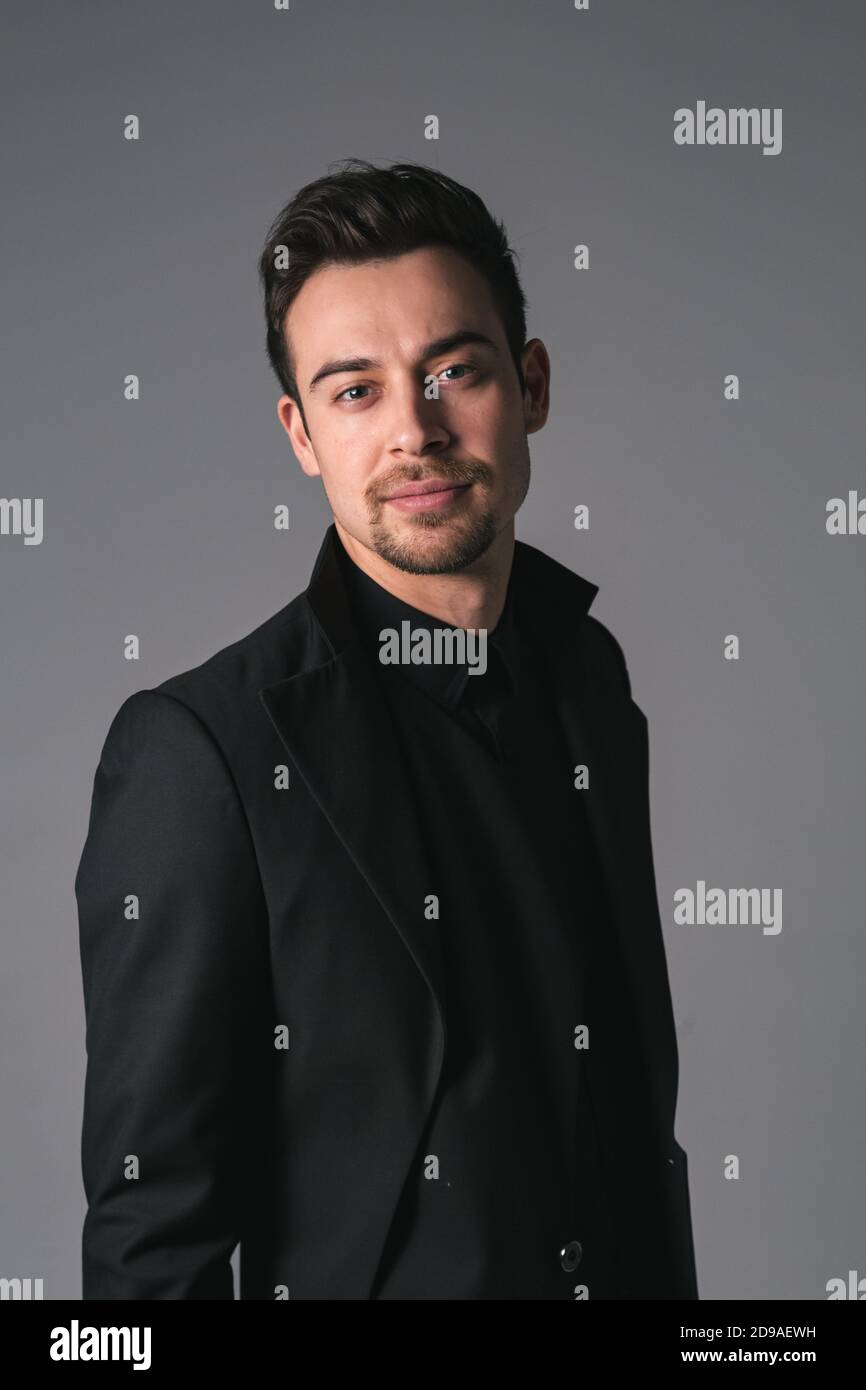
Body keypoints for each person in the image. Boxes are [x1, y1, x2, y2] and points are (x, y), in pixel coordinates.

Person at [76, 158, 698, 1300]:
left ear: (532, 384)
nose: (413, 430)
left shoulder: (589, 678)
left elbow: (620, 1117)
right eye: (353, 391)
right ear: (302, 434)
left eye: (450, 370)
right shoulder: (196, 753)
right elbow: (149, 1242)